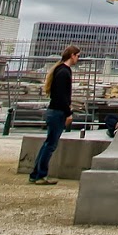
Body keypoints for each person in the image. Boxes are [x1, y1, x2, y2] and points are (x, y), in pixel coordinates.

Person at [28, 44, 79, 184]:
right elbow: (62, 96)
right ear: (72, 55)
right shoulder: (64, 72)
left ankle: (36, 174)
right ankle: (40, 175)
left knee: (48, 143)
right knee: (50, 144)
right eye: (77, 56)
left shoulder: (60, 70)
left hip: (54, 111)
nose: (78, 59)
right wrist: (68, 113)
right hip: (58, 112)